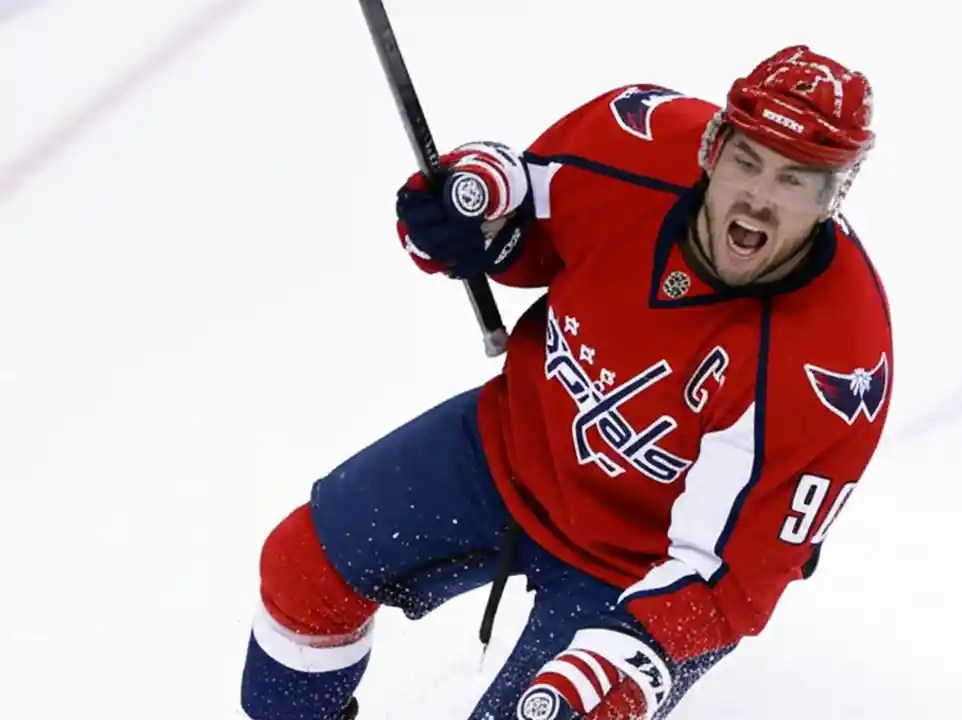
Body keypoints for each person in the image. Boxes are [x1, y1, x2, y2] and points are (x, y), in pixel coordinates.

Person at [239, 44, 893, 720]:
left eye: (793, 179)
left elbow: (733, 582)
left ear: (831, 197)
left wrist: (636, 653)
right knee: (304, 571)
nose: (757, 197)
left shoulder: (836, 366)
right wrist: (472, 217)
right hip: (509, 448)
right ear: (712, 147)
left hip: (639, 575)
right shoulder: (634, 139)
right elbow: (527, 227)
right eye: (746, 161)